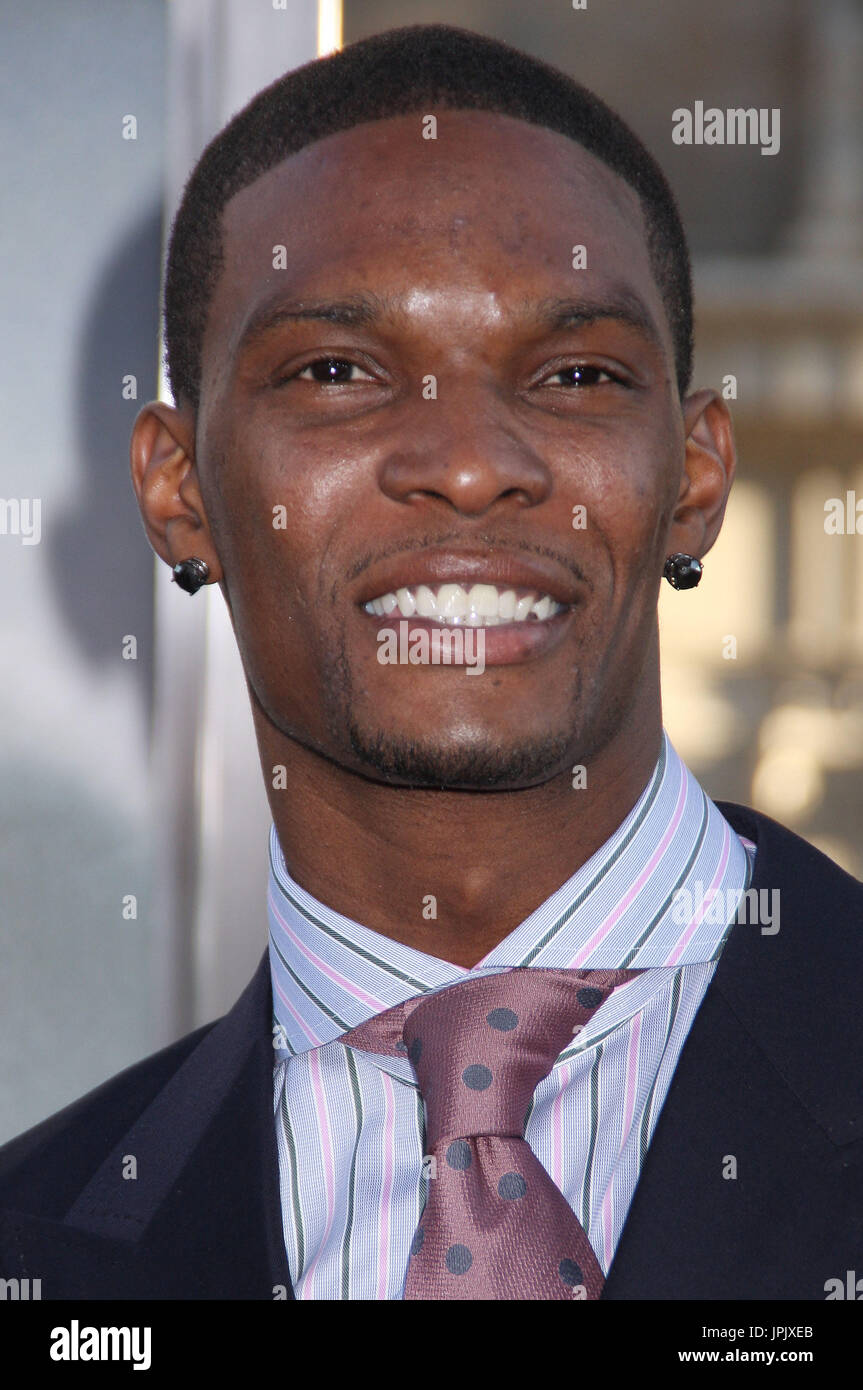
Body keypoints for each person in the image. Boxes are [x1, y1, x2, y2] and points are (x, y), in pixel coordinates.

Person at [1, 23, 860, 1302]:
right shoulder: (36, 1249)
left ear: (693, 476)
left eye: (573, 372)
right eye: (338, 371)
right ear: (177, 490)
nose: (466, 461)